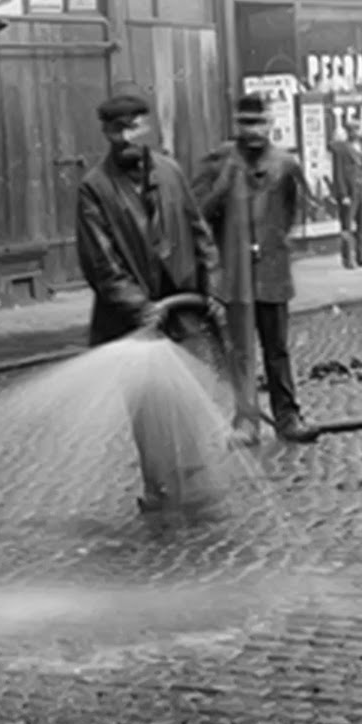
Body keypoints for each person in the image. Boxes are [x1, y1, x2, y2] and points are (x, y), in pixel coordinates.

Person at [76, 90, 226, 511]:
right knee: (150, 410)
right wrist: (139, 306)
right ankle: (160, 489)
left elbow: (200, 235)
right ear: (105, 133)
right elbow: (101, 263)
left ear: (147, 127)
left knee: (189, 395)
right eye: (114, 130)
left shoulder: (171, 172)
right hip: (133, 322)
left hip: (184, 313)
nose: (123, 138)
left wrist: (211, 289)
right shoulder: (94, 188)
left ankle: (196, 482)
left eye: (131, 127)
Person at [192, 92, 319, 447]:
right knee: (241, 351)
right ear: (235, 124)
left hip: (272, 271)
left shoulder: (285, 164)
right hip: (235, 274)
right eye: (245, 123)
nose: (252, 131)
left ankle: (287, 416)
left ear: (270, 123)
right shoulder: (217, 162)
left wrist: (274, 243)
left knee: (277, 349)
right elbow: (197, 213)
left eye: (259, 122)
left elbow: (292, 211)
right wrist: (223, 183)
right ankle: (246, 421)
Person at [328, 115, 362, 269]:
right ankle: (348, 259)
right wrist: (343, 194)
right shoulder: (342, 149)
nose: (356, 132)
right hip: (350, 192)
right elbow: (338, 173)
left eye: (358, 129)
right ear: (348, 131)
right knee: (347, 225)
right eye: (352, 129)